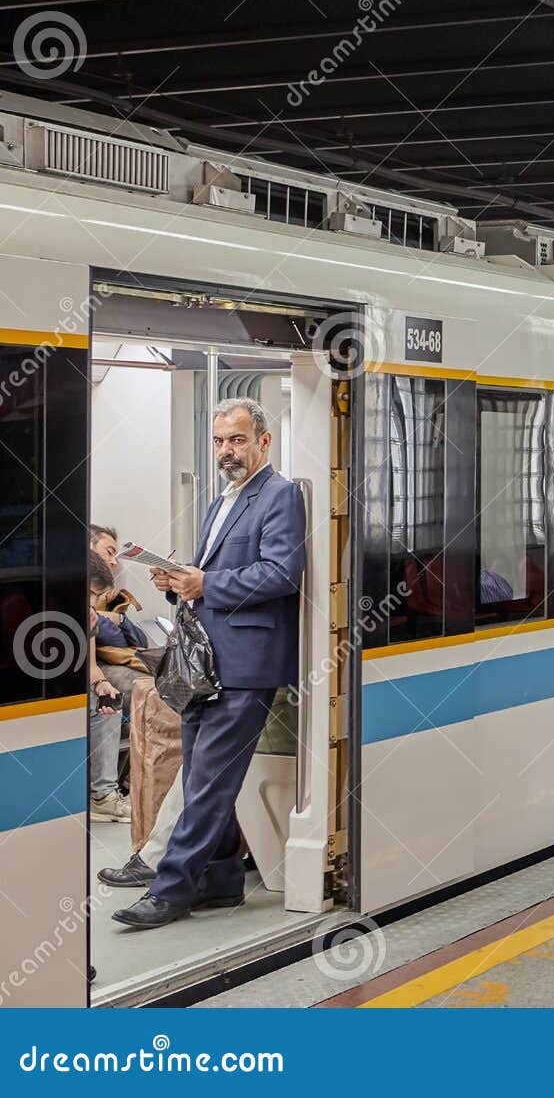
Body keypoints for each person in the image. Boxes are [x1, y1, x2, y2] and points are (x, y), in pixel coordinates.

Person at [112, 398, 305, 930]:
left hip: (247, 665)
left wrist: (207, 583)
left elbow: (282, 573)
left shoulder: (280, 495)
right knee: (201, 774)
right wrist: (179, 583)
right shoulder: (222, 499)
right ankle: (219, 882)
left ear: (264, 442)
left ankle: (170, 890)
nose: (227, 451)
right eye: (220, 441)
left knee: (207, 783)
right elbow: (212, 577)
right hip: (206, 666)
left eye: (238, 440)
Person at [87, 550, 132, 824]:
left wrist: (101, 683)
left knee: (106, 703)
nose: (92, 603)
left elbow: (90, 666)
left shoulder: (88, 617)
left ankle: (103, 797)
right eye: (90, 593)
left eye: (96, 597)